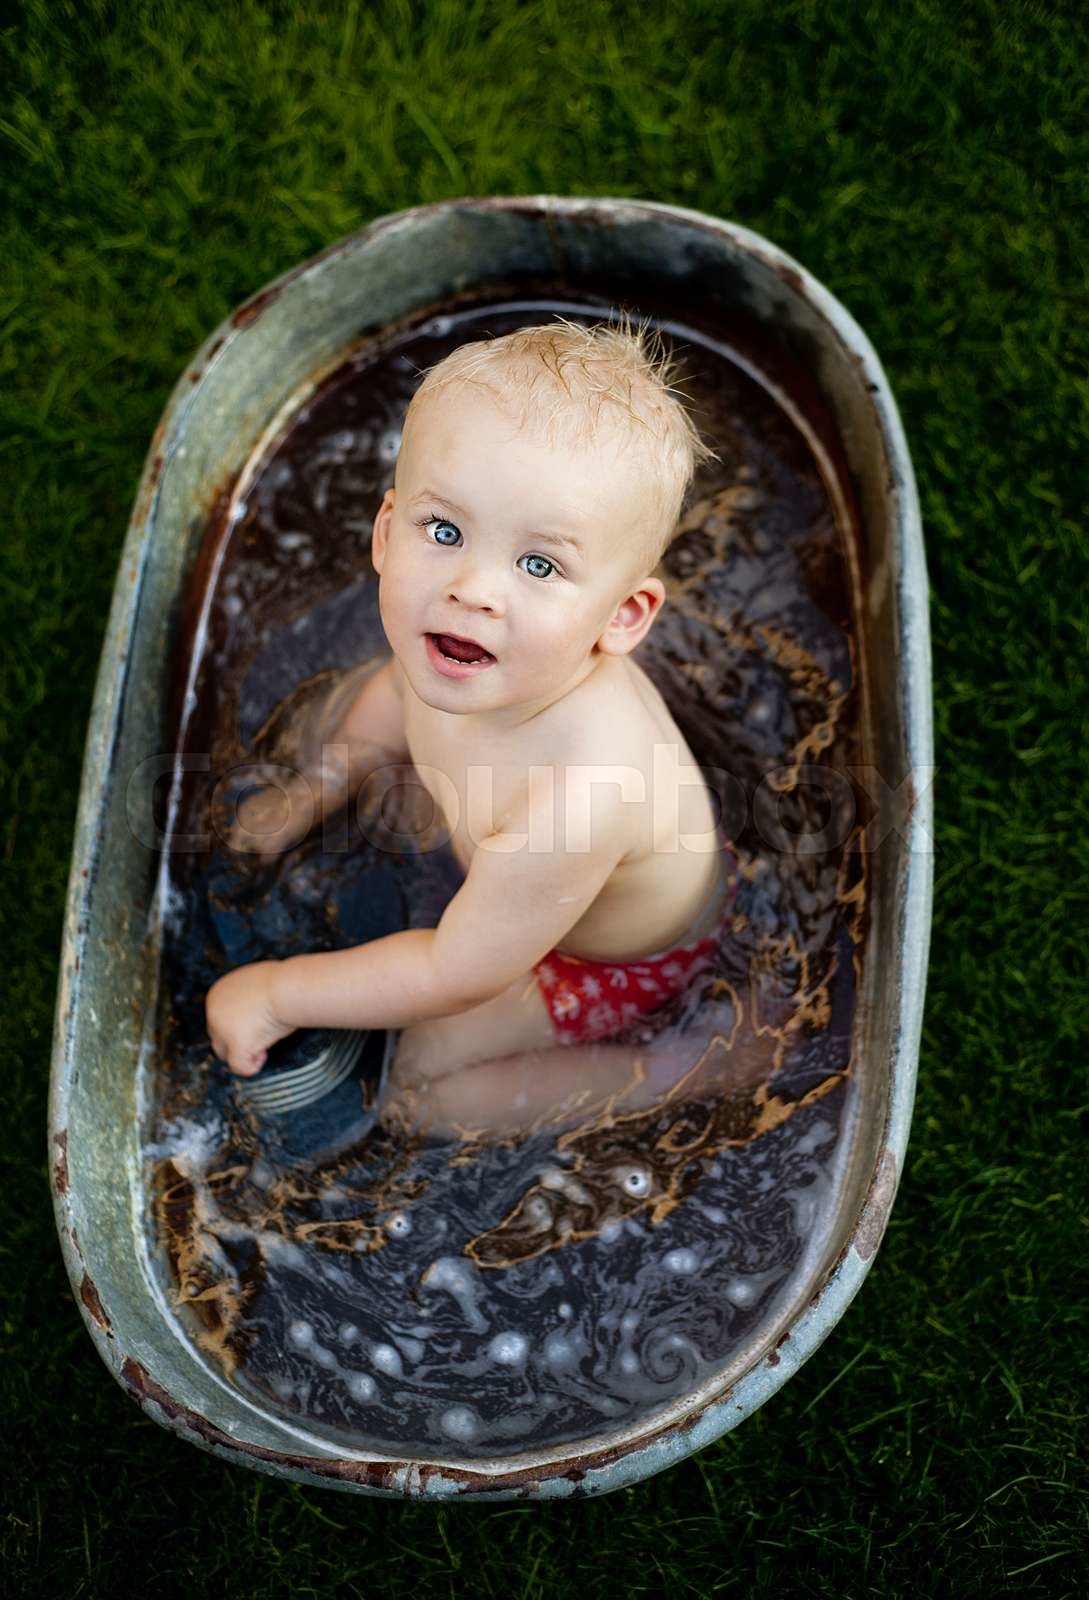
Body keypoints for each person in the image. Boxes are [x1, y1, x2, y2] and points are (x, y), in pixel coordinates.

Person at [205, 312, 737, 1126]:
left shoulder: (578, 794)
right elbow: (391, 697)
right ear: (386, 533)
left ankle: (677, 1067)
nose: (474, 588)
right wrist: (319, 788)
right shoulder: (461, 647)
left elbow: (458, 970)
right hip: (512, 888)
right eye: (444, 530)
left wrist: (279, 993)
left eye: (538, 563)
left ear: (621, 616)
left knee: (415, 1093)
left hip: (599, 960)